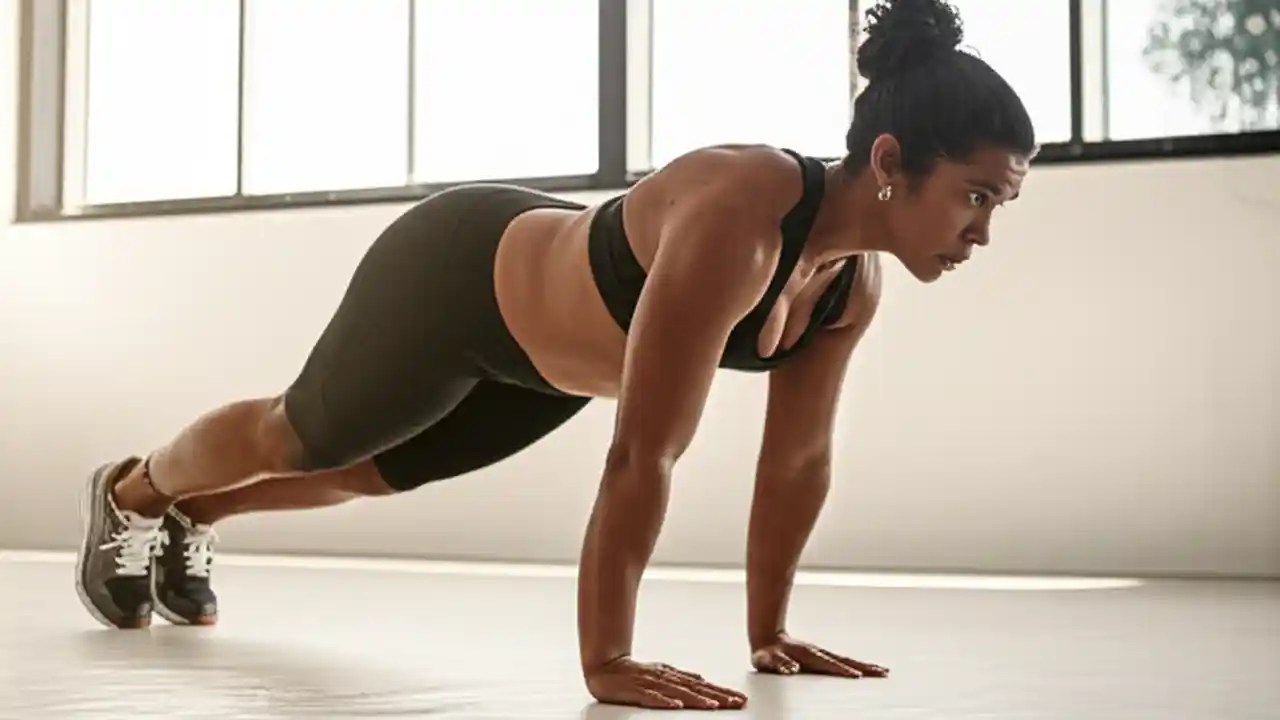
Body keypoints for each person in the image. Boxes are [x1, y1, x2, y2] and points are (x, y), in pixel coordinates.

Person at [74, 0, 1035, 710]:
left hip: (548, 367)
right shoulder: (743, 218)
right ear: (889, 163)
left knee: (369, 475)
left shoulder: (847, 288)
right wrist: (605, 659)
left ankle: (192, 516)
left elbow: (797, 463)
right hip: (458, 277)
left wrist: (769, 632)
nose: (982, 232)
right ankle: (135, 490)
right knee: (301, 434)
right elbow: (645, 454)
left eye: (1001, 203)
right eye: (976, 195)